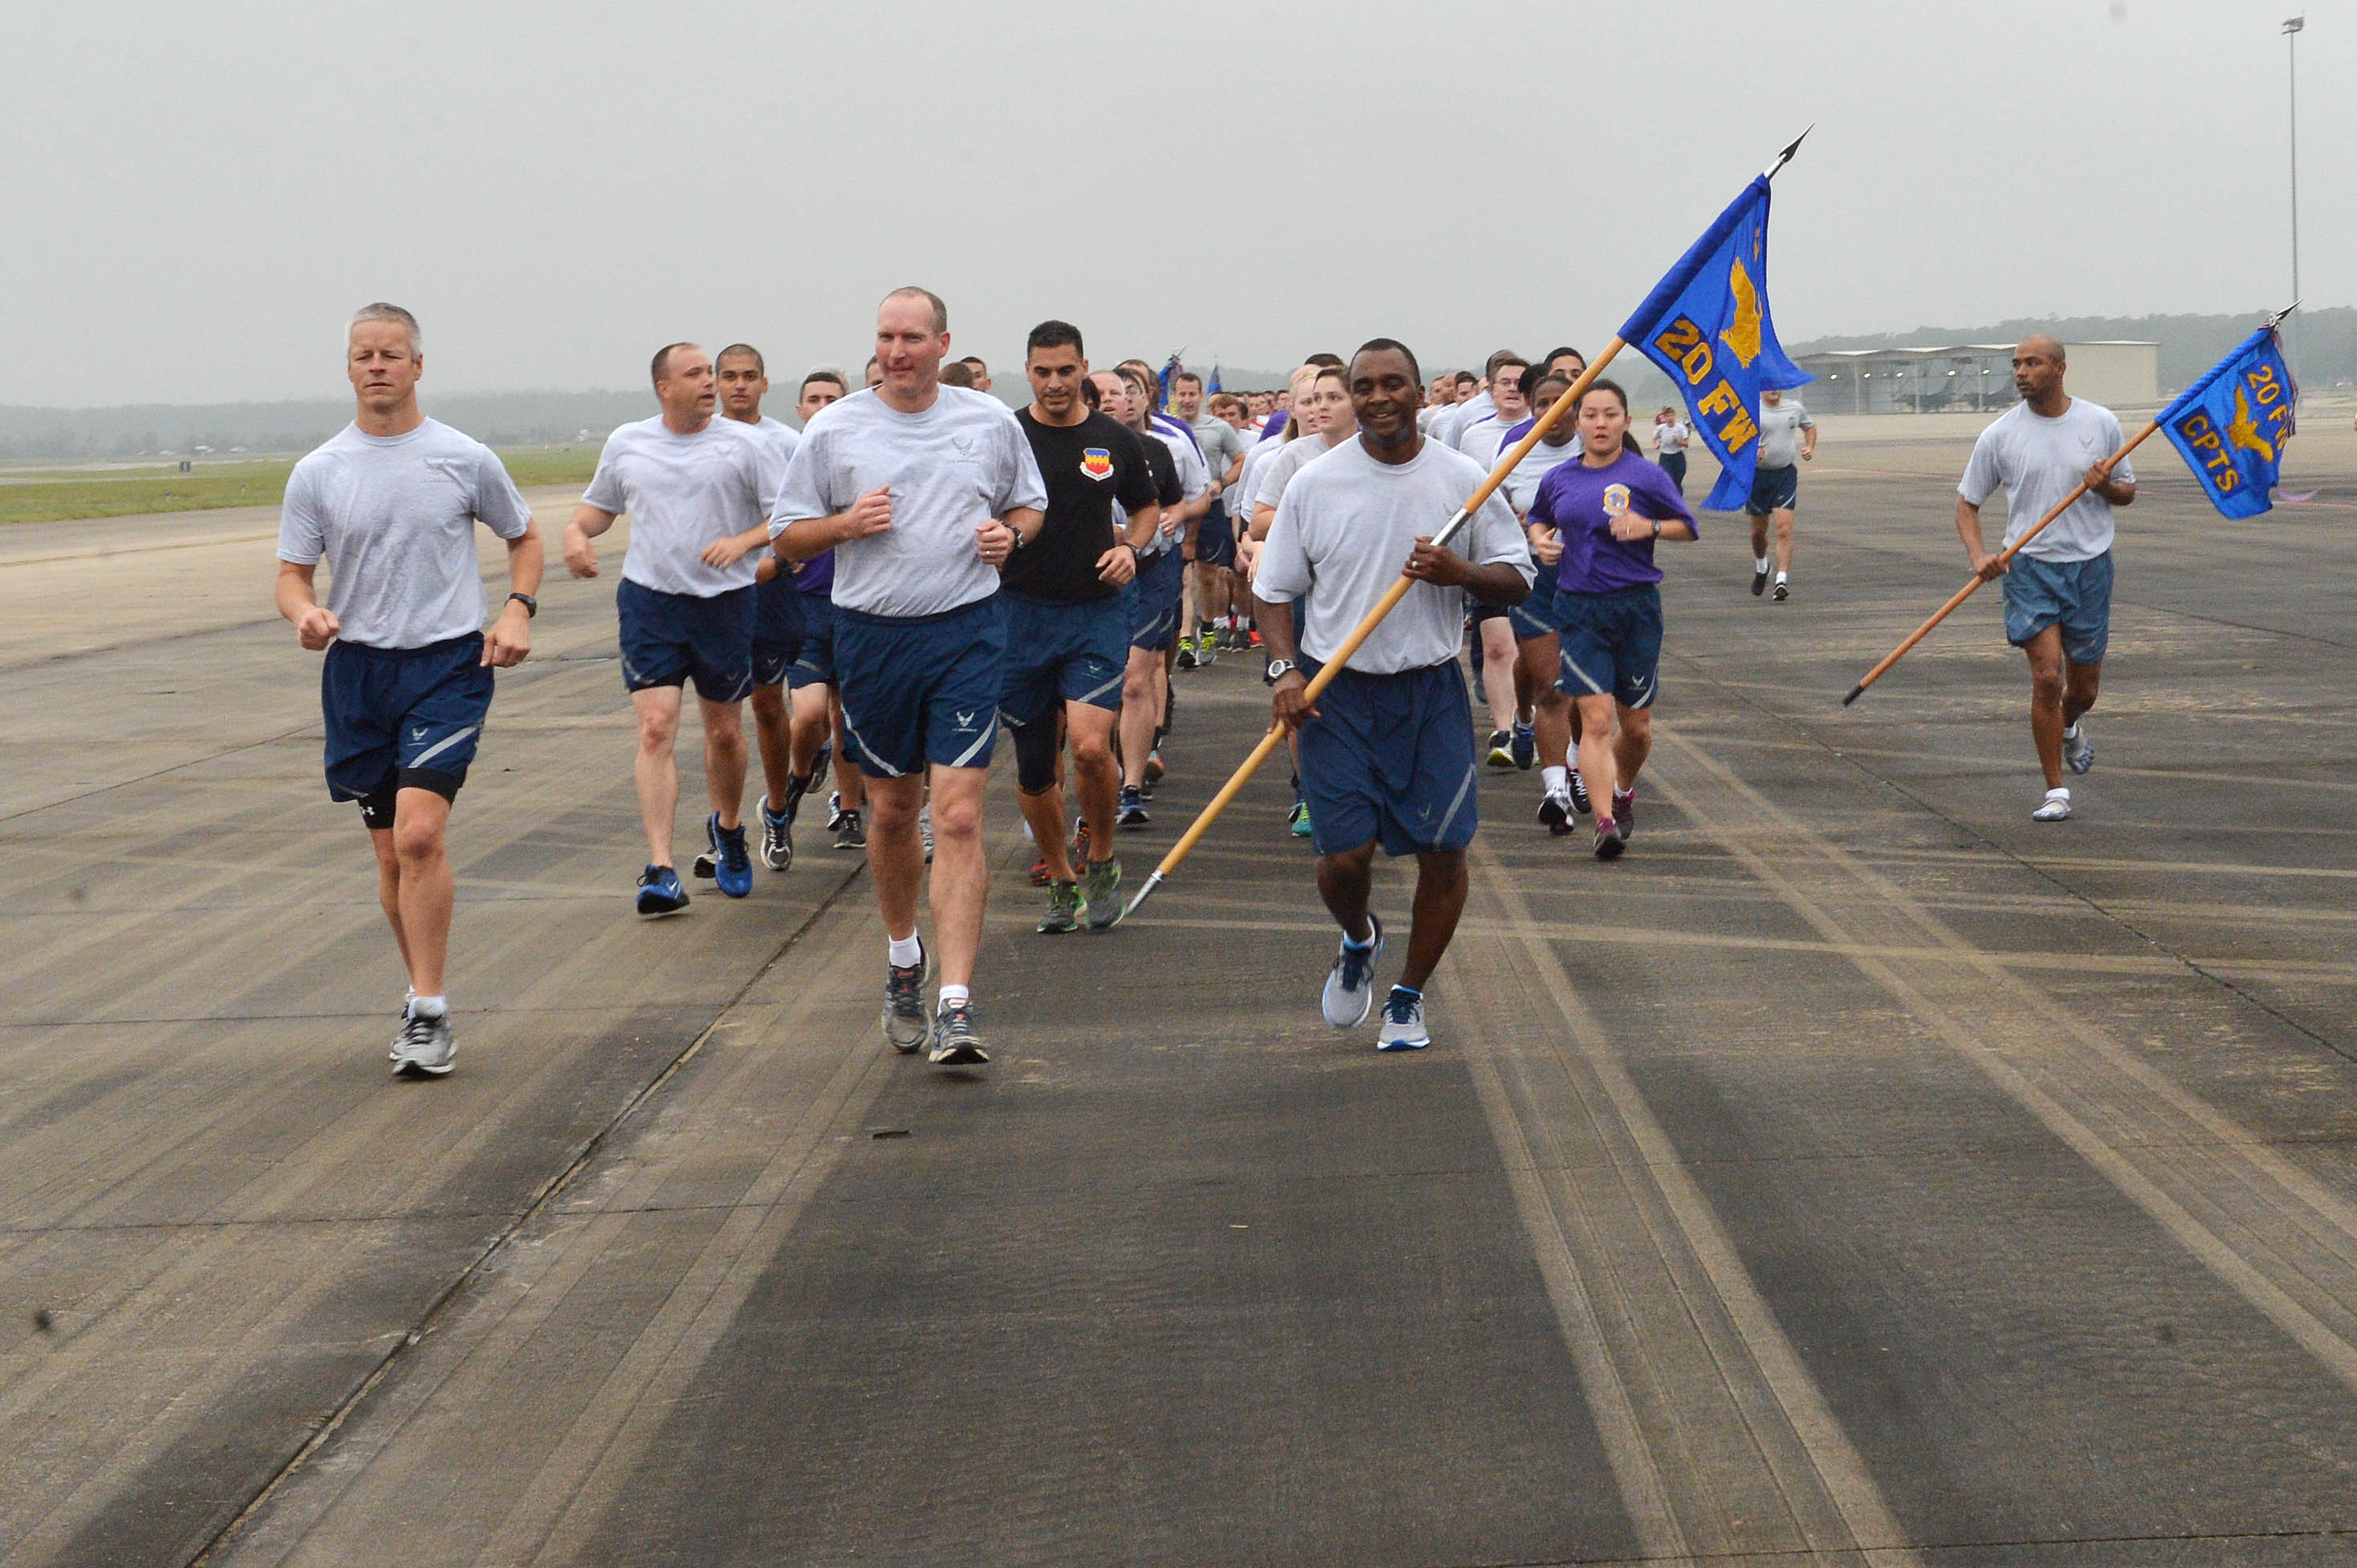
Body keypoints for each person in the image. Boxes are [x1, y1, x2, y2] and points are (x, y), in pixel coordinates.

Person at [773, 287, 1047, 1065]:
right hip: (872, 637)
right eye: (886, 337)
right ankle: (904, 960)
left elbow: (1030, 507)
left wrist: (1009, 537)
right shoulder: (835, 428)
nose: (897, 351)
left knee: (956, 816)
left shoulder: (988, 422)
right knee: (893, 813)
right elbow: (789, 537)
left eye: (912, 337)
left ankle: (957, 1003)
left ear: (942, 342)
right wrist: (844, 526)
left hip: (966, 630)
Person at [276, 302, 541, 1077]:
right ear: (349, 367)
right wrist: (305, 613)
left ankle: (429, 1012)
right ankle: (420, 994)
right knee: (393, 858)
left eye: (392, 354)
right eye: (364, 355)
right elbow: (292, 574)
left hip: (448, 668)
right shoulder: (319, 471)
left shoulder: (462, 457)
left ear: (418, 366)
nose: (378, 366)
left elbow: (523, 536)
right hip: (359, 673)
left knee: (422, 835)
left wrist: (518, 609)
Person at [1254, 339, 1534, 1052]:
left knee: (1444, 851)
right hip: (1335, 693)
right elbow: (1273, 592)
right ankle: (1358, 936)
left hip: (1430, 690)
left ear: (1418, 393)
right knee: (1344, 857)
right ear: (1350, 395)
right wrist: (1284, 671)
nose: (1378, 397)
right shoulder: (1315, 483)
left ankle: (1407, 997)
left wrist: (1459, 573)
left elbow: (1519, 577)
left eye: (1393, 384)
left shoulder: (1464, 477)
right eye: (1364, 386)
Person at [564, 344, 774, 913]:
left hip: (724, 604)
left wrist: (744, 542)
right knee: (655, 729)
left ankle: (729, 828)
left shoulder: (744, 446)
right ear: (664, 387)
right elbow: (599, 507)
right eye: (696, 375)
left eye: (711, 373)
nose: (710, 383)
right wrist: (577, 535)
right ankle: (660, 868)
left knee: (725, 733)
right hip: (650, 603)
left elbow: (785, 515)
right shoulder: (628, 442)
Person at [1006, 321, 1161, 932]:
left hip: (1095, 612)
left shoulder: (1112, 438)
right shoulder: (1006, 435)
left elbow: (1146, 507)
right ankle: (1061, 880)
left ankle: (1100, 857)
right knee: (1034, 766)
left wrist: (1134, 550)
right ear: (1028, 372)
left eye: (1065, 371)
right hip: (1018, 615)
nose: (1054, 383)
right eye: (1042, 372)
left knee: (1092, 747)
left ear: (1083, 369)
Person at [1955, 334, 2134, 823]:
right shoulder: (1999, 435)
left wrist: (2106, 487)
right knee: (2047, 676)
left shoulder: (2100, 424)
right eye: (2016, 364)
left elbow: (2128, 492)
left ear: (2059, 368)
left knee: (2084, 690)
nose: (2020, 372)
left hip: (2091, 566)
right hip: (2029, 567)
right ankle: (2056, 790)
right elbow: (1967, 504)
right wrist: (1979, 556)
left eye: (2032, 363)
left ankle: (2071, 725)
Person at [1526, 380, 1697, 860]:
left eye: (1610, 415)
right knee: (1595, 721)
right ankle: (1604, 822)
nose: (1600, 424)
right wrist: (1541, 540)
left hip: (1637, 608)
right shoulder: (1560, 477)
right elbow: (1538, 517)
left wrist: (1651, 527)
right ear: (1577, 422)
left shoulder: (1646, 476)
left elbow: (1688, 527)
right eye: (1591, 415)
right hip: (1580, 609)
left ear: (1626, 420)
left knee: (1637, 728)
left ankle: (1623, 792)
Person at [708, 344, 804, 874]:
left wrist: (778, 560)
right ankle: (725, 824)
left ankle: (776, 807)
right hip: (713, 594)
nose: (739, 385)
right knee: (720, 720)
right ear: (716, 383)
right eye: (729, 377)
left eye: (749, 377)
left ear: (765, 384)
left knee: (769, 705)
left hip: (768, 590)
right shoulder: (700, 440)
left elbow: (800, 515)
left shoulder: (786, 443)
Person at [772, 370, 866, 859]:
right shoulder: (789, 461)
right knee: (808, 716)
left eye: (833, 398)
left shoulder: (861, 456)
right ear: (800, 408)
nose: (824, 405)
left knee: (848, 717)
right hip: (804, 611)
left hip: (854, 607)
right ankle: (804, 769)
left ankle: (849, 808)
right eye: (814, 399)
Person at [1109, 363, 1207, 827]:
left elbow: (1182, 499)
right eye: (1108, 393)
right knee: (1100, 685)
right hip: (1090, 579)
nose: (1119, 400)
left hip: (1150, 572)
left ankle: (1131, 785)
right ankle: (1103, 769)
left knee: (1135, 677)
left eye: (1128, 392)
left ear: (1147, 397)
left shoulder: (1160, 448)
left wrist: (1170, 521)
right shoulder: (1066, 450)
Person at [1493, 368, 1588, 829]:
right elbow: (1489, 515)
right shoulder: (1513, 455)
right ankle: (1555, 792)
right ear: (1531, 409)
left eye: (1564, 401)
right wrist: (1516, 529)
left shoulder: (1597, 450)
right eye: (1543, 404)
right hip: (1534, 579)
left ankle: (1576, 764)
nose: (1553, 413)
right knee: (1551, 686)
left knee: (1586, 687)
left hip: (1592, 580)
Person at [1172, 371, 1247, 666]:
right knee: (1183, 578)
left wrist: (1223, 482)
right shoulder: (1169, 428)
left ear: (1201, 396)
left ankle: (1207, 631)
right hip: (1177, 509)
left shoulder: (1218, 428)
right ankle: (1185, 642)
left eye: (1192, 394)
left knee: (1206, 577)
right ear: (1175, 397)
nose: (1187, 400)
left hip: (1210, 508)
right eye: (1182, 394)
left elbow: (1242, 459)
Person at [1747, 386, 1816, 600]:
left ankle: (1781, 580)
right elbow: (1734, 439)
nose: (1774, 390)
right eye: (1768, 386)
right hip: (1757, 477)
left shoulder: (1794, 408)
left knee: (1784, 530)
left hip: (1784, 475)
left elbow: (1810, 427)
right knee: (1758, 532)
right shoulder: (1751, 409)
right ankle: (1761, 566)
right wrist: (1751, 450)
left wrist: (1809, 447)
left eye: (1777, 386)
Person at [1651, 405, 1692, 495]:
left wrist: (1679, 441)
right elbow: (1654, 439)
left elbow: (1686, 444)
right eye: (1668, 416)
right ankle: (1670, 499)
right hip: (1666, 457)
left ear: (1675, 416)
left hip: (1678, 456)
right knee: (1668, 478)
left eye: (1672, 416)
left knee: (1678, 479)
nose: (1670, 418)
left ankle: (1678, 499)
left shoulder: (1681, 428)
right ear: (1664, 418)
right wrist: (1656, 444)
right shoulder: (1661, 428)